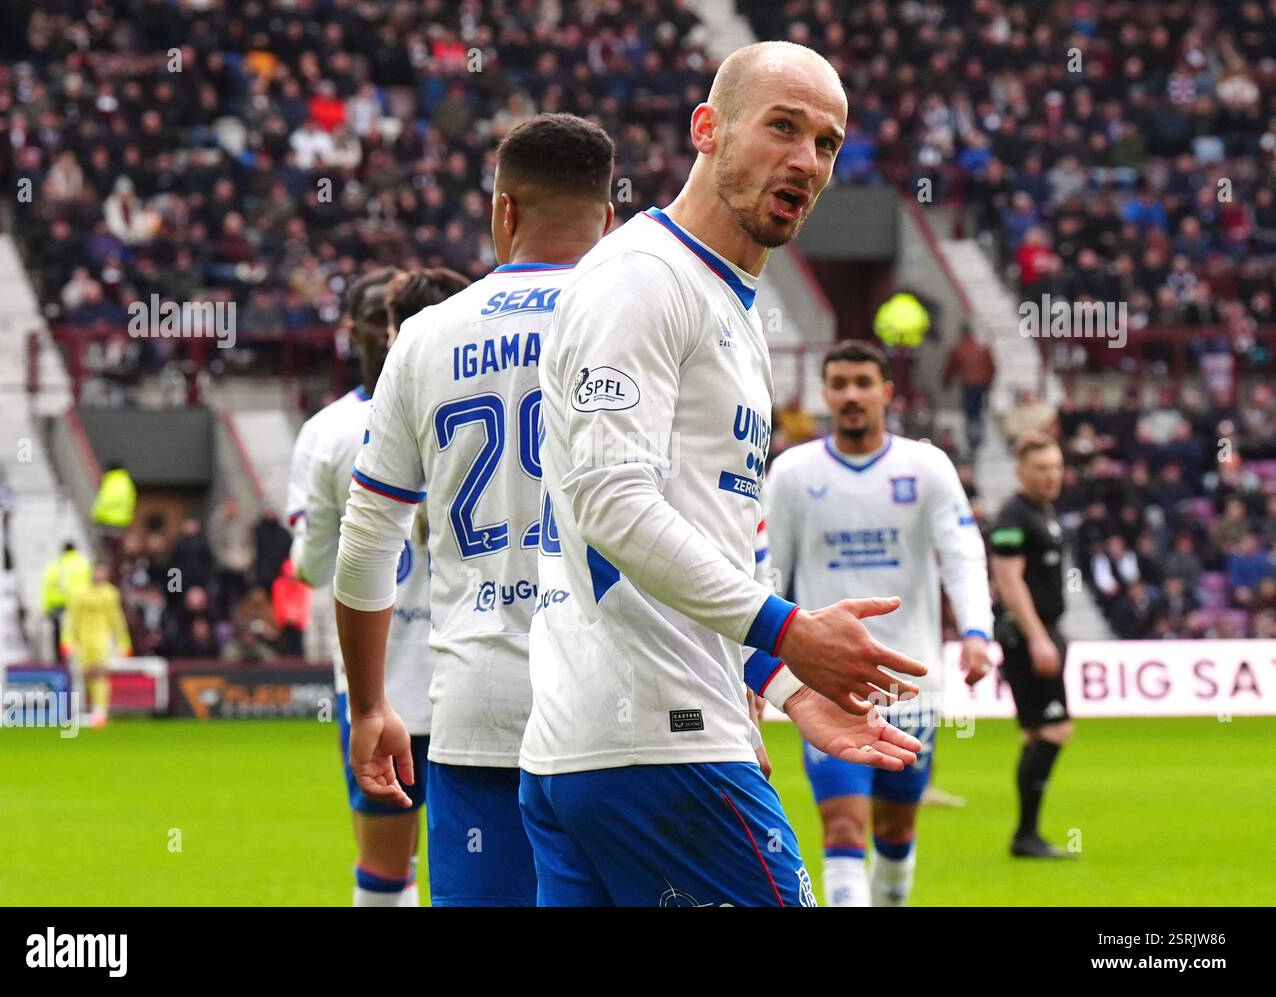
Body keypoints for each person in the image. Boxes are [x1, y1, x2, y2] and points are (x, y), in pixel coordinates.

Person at [520, 42, 924, 906]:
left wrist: (784, 687)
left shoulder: (730, 304)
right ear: (707, 128)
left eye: (827, 143)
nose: (806, 162)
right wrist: (788, 632)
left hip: (601, 744)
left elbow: (694, 531)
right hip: (661, 744)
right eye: (782, 127)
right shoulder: (642, 280)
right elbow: (611, 503)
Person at [333, 113, 614, 906]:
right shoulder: (645, 322)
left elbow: (365, 547)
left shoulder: (425, 337)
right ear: (610, 217)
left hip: (480, 704)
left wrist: (369, 705)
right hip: (625, 710)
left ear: (503, 210)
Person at [763, 339, 994, 907]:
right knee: (843, 830)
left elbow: (961, 553)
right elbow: (768, 571)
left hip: (911, 684)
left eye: (863, 383)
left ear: (886, 392)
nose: (851, 396)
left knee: (895, 833)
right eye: (839, 385)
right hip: (829, 682)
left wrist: (976, 632)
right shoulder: (792, 472)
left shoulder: (926, 466)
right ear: (825, 395)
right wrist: (758, 661)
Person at [295, 264, 466, 907]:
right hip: (473, 674)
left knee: (388, 870)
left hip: (384, 684)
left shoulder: (334, 437)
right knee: (482, 867)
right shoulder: (494, 407)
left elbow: (313, 565)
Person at [988, 431, 1074, 859]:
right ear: (1020, 472)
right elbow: (1008, 580)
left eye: (1057, 467)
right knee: (1055, 730)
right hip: (1028, 636)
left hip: (1043, 630)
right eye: (1042, 469)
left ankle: (1027, 834)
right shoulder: (1012, 517)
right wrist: (1039, 638)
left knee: (1035, 734)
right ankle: (1026, 834)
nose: (1051, 476)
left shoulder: (1044, 512)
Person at [62, 564, 131, 729]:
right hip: (83, 640)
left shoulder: (110, 593)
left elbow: (116, 619)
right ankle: (82, 710)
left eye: (103, 571)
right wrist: (67, 640)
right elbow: (72, 618)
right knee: (83, 675)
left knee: (100, 674)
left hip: (102, 638)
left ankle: (100, 711)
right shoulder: (80, 593)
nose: (99, 575)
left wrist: (124, 642)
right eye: (97, 571)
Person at [941, 325, 996, 451]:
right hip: (982, 384)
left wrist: (946, 383)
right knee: (978, 409)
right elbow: (992, 367)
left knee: (970, 410)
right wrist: (989, 383)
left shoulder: (960, 349)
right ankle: (977, 432)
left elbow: (950, 368)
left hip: (969, 384)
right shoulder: (981, 348)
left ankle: (973, 433)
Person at [40, 542, 91, 663]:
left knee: (60, 633)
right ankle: (81, 658)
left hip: (60, 604)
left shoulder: (56, 565)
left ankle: (60, 659)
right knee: (79, 631)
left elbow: (47, 586)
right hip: (80, 603)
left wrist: (46, 606)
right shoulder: (84, 563)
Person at [90, 461, 136, 579]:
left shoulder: (112, 482)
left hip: (109, 523)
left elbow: (106, 502)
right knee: (117, 555)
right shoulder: (127, 483)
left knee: (106, 554)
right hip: (122, 523)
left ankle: (106, 577)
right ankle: (116, 577)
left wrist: (96, 516)